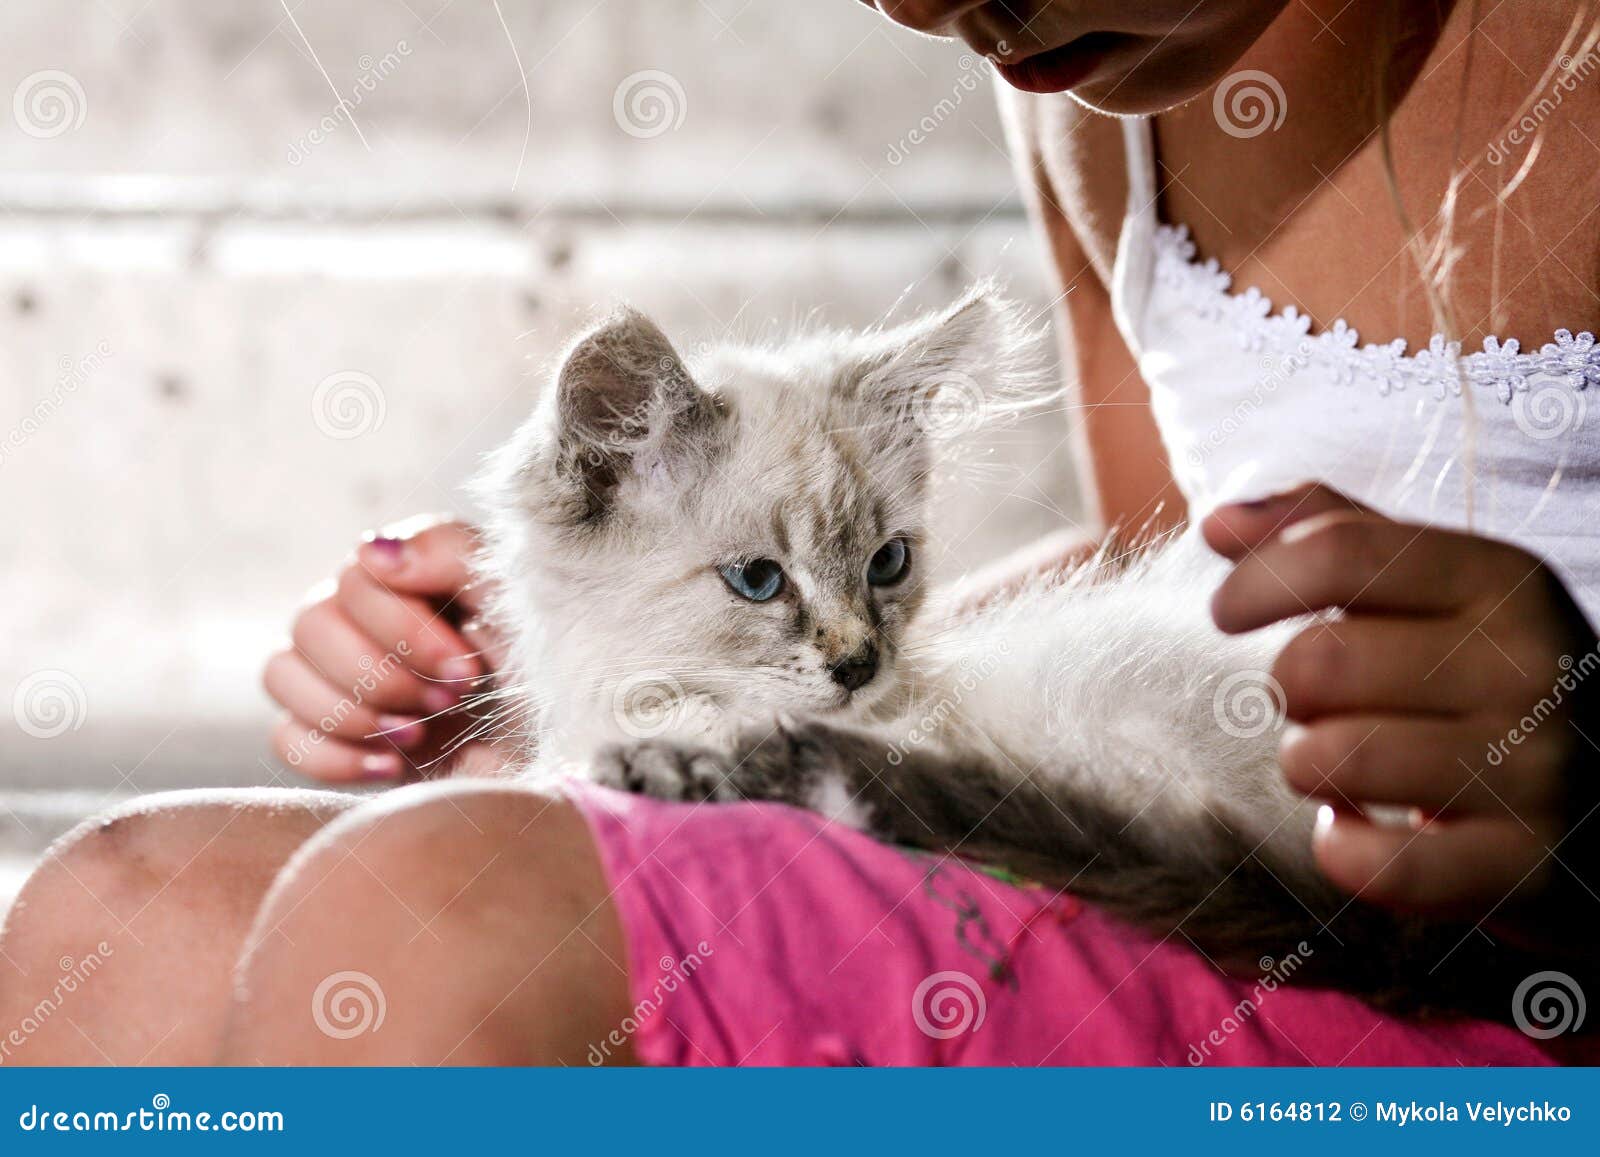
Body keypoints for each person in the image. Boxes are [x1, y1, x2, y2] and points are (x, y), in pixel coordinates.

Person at [3, 0, 1596, 1064]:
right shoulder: (1098, 100)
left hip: (1493, 987)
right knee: (122, 912)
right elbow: (1145, 567)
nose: (913, 4)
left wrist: (1575, 744)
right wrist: (573, 647)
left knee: (426, 927)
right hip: (1180, 859)